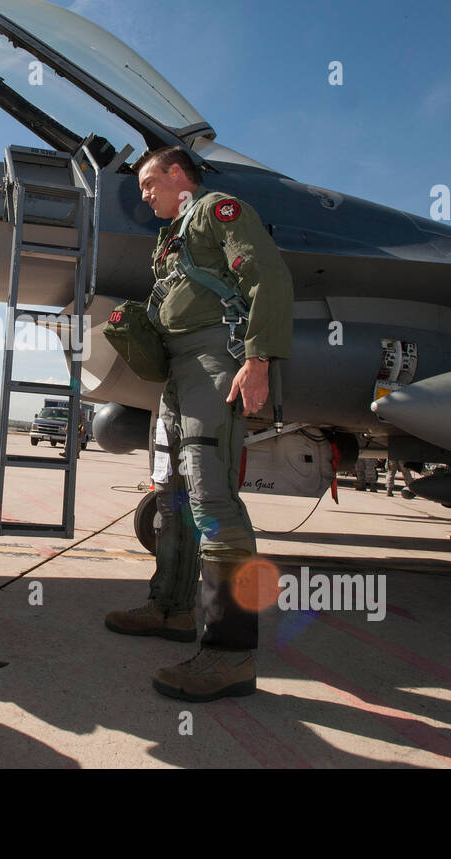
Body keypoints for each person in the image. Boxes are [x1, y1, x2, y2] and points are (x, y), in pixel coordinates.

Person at [104, 146, 293, 702]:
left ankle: (229, 655)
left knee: (213, 500)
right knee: (172, 495)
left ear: (179, 175)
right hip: (177, 372)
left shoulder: (218, 211)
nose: (143, 193)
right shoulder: (171, 238)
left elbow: (268, 277)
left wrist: (257, 360)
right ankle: (169, 608)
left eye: (148, 182)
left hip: (216, 362)